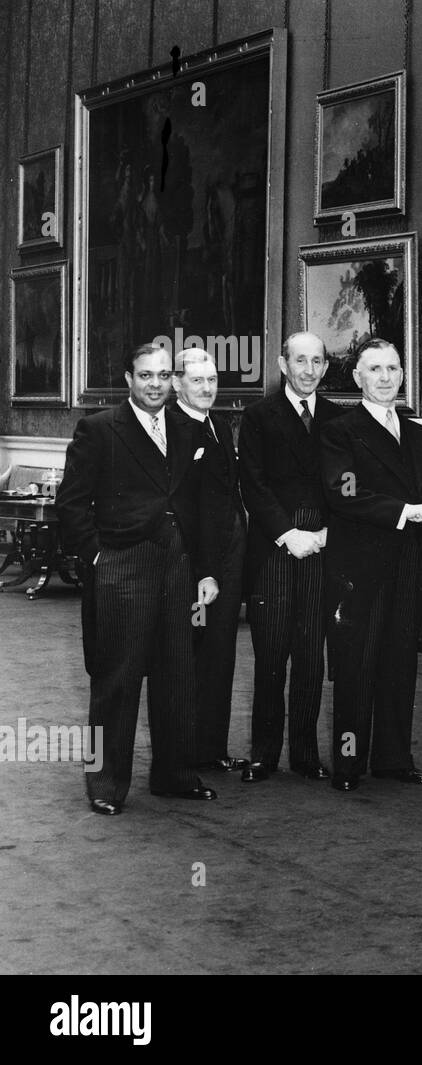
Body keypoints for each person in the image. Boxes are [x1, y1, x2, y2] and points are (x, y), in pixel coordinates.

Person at [56, 342, 220, 815]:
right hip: (121, 564)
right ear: (127, 378)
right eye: (145, 375)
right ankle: (104, 785)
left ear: (173, 381)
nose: (155, 384)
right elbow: (71, 503)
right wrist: (95, 559)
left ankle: (175, 776)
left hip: (178, 565)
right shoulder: (100, 428)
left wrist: (206, 569)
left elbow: (202, 507)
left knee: (177, 674)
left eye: (163, 376)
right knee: (116, 678)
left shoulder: (188, 430)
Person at [319, 339, 422, 792]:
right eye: (375, 369)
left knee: (400, 661)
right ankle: (348, 765)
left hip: (409, 562)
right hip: (359, 564)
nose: (386, 377)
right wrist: (409, 512)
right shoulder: (340, 430)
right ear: (358, 378)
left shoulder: (419, 436)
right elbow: (342, 493)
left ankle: (393, 758)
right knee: (356, 664)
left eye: (393, 368)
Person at [238, 332, 344, 783]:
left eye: (316, 361)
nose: (308, 370)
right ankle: (263, 753)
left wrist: (325, 532)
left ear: (325, 367)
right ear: (283, 364)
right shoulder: (260, 416)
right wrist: (287, 534)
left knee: (309, 656)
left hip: (322, 547)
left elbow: (348, 486)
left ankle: (305, 755)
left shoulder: (340, 420)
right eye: (299, 360)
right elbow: (253, 484)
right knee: (270, 654)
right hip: (274, 551)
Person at [171, 347, 248, 775]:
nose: (206, 388)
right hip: (196, 565)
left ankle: (211, 749)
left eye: (212, 380)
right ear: (178, 383)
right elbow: (186, 510)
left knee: (221, 655)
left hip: (230, 556)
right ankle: (181, 753)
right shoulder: (173, 428)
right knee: (190, 657)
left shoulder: (218, 424)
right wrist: (204, 570)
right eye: (197, 380)